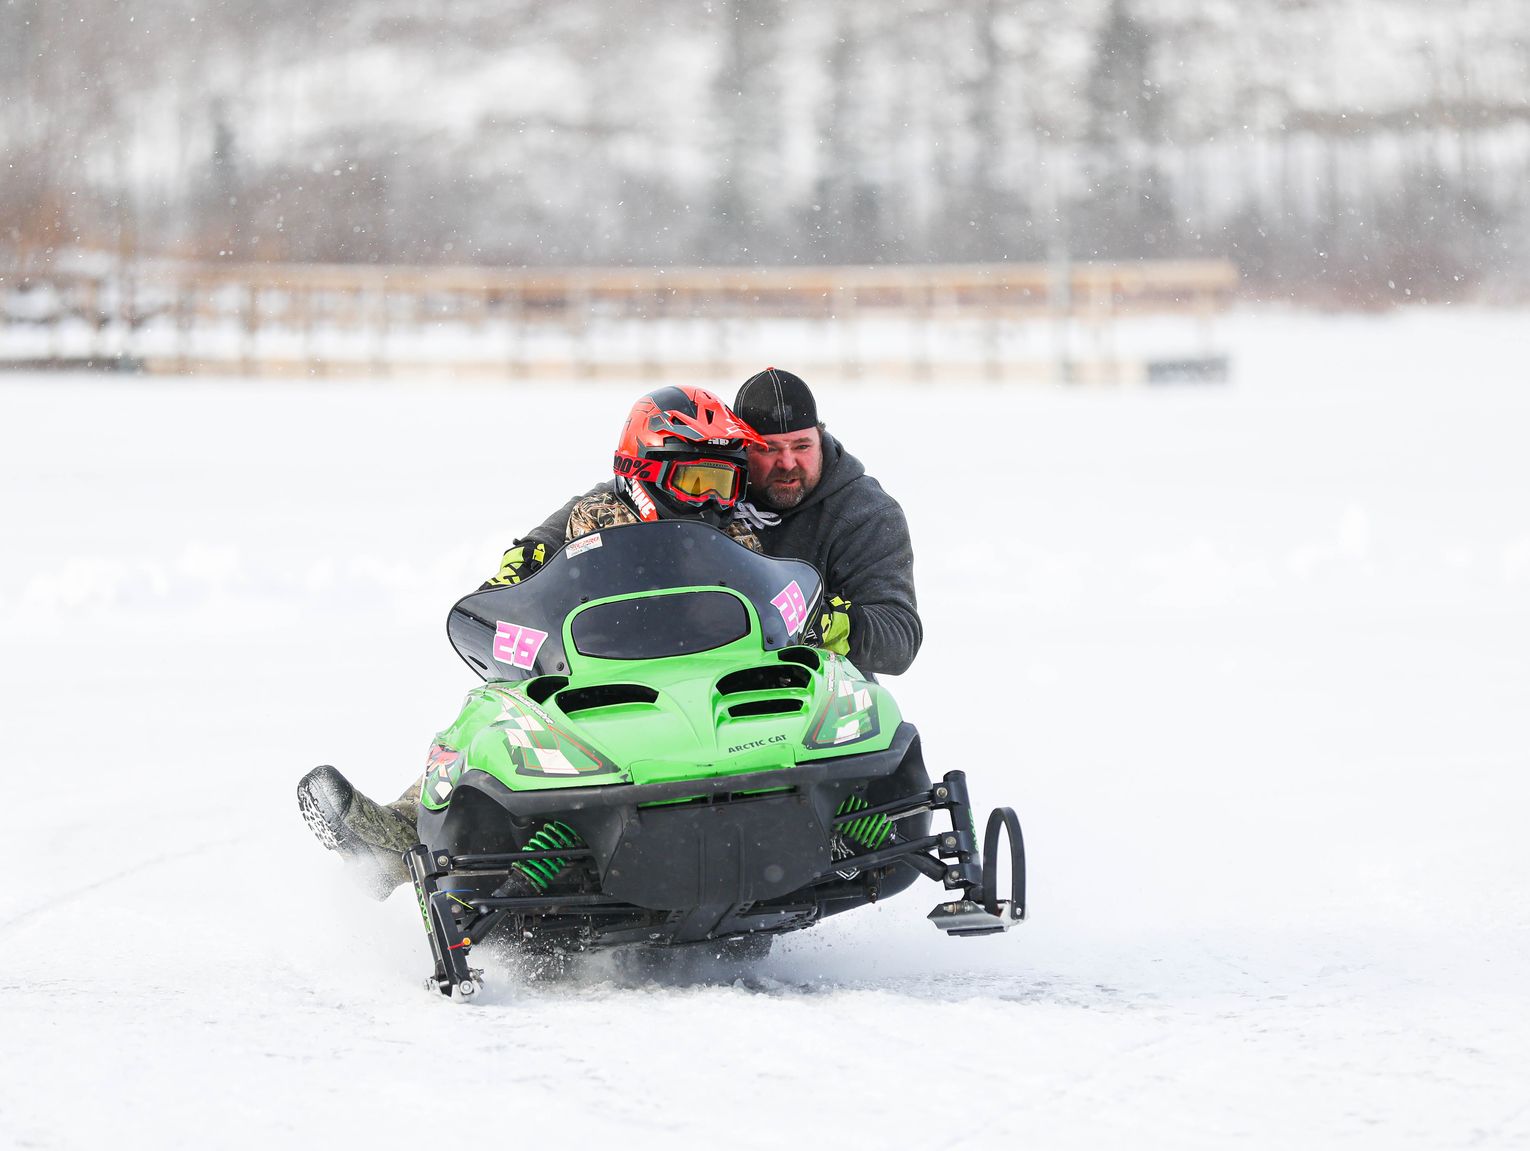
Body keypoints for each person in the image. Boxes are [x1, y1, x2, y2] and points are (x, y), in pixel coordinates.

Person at [297, 386, 764, 898]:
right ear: (642, 471)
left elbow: (767, 596)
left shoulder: (736, 536)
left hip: (716, 686)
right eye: (696, 482)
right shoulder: (589, 519)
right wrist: (514, 588)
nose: (713, 501)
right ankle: (403, 839)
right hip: (599, 681)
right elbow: (522, 586)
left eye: (725, 483)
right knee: (487, 716)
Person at [519, 368, 921, 677]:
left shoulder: (864, 512)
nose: (788, 463)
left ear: (821, 438)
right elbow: (624, 490)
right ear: (743, 452)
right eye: (770, 450)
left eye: (802, 446)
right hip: (685, 668)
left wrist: (826, 624)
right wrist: (534, 550)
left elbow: (899, 636)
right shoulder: (718, 479)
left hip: (809, 680)